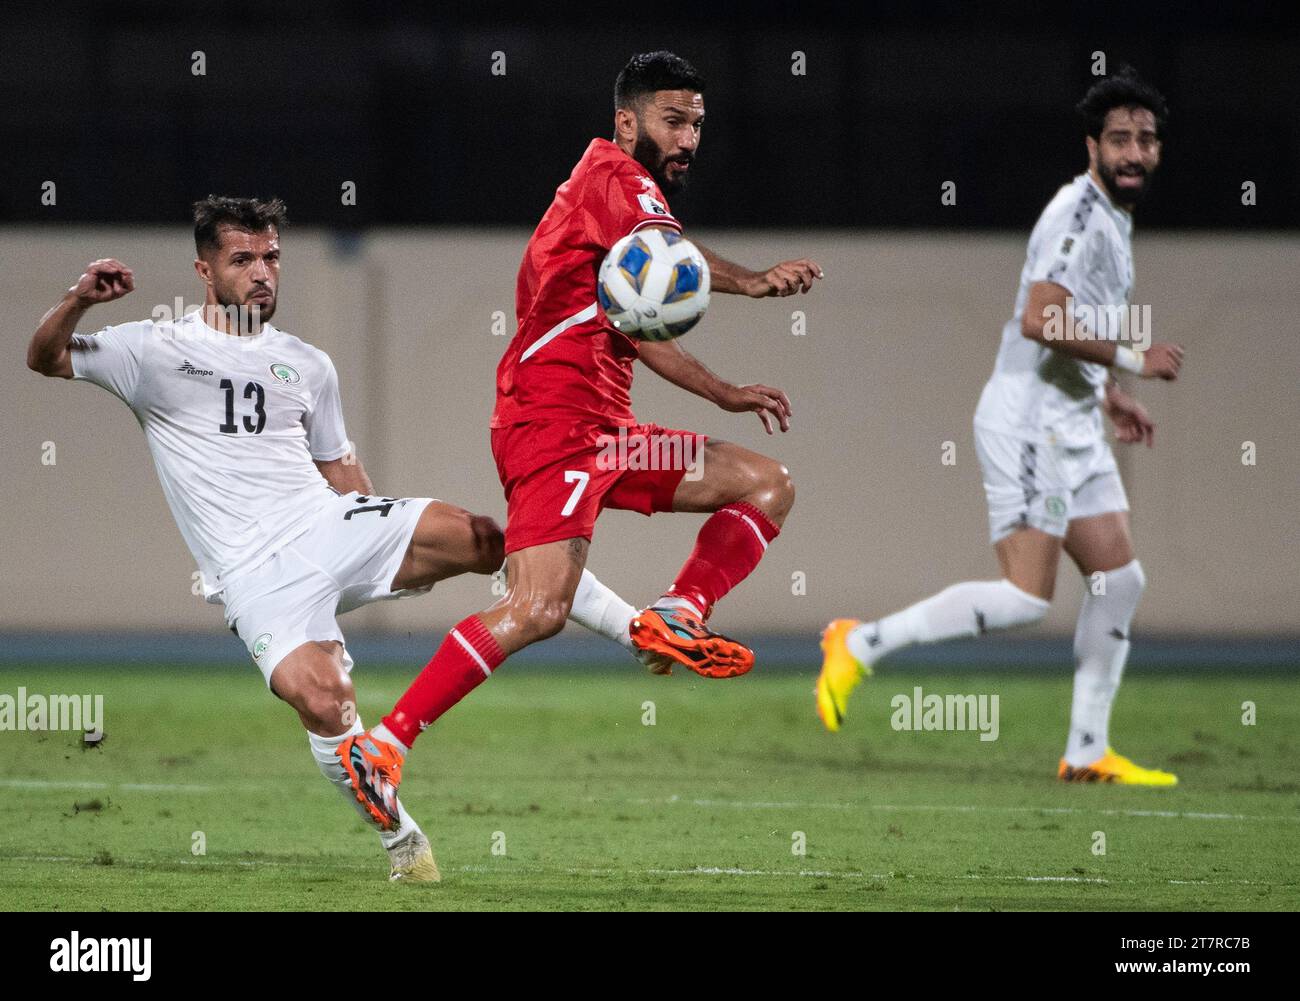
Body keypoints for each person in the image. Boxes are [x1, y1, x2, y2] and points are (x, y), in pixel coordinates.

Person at [26, 195, 651, 880]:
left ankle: (640, 632)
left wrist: (387, 543)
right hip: (253, 572)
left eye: (271, 257)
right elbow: (46, 356)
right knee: (324, 700)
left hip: (326, 524)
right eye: (243, 259)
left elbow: (342, 468)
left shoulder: (307, 363)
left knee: (482, 537)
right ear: (204, 269)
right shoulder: (152, 347)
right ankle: (406, 845)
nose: (262, 273)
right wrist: (79, 299)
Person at [340, 51, 824, 830]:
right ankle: (385, 743)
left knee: (768, 482)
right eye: (674, 120)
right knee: (536, 608)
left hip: (611, 434)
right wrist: (758, 284)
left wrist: (724, 390)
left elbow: (647, 325)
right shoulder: (616, 180)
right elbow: (679, 268)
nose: (690, 138)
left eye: (698, 123)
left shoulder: (625, 210)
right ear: (626, 121)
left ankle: (678, 609)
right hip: (556, 426)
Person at [817, 68, 1184, 785]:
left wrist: (1110, 393)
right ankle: (858, 642)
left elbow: (1077, 321)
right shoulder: (1077, 216)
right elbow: (1041, 319)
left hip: (1073, 420)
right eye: (1120, 139)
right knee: (1023, 599)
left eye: (1145, 139)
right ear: (1092, 146)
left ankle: (1085, 751)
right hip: (1028, 426)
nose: (1134, 152)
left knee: (1120, 581)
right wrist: (1139, 358)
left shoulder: (1113, 218)